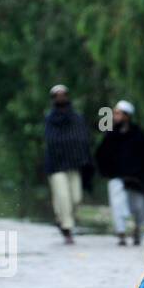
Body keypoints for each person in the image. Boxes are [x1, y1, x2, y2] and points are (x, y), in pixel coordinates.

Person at [95, 99, 144, 247]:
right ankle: (121, 233)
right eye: (114, 113)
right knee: (117, 204)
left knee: (139, 206)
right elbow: (101, 154)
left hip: (136, 177)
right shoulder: (111, 133)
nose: (115, 116)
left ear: (127, 116)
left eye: (118, 113)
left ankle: (136, 230)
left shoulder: (138, 134)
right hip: (117, 176)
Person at [43, 84, 93, 244]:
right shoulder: (50, 119)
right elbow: (51, 141)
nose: (60, 97)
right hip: (56, 166)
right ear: (53, 98)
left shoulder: (77, 118)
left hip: (74, 164)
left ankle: (61, 219)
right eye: (57, 95)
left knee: (76, 198)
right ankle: (67, 229)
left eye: (63, 94)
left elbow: (83, 139)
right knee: (63, 196)